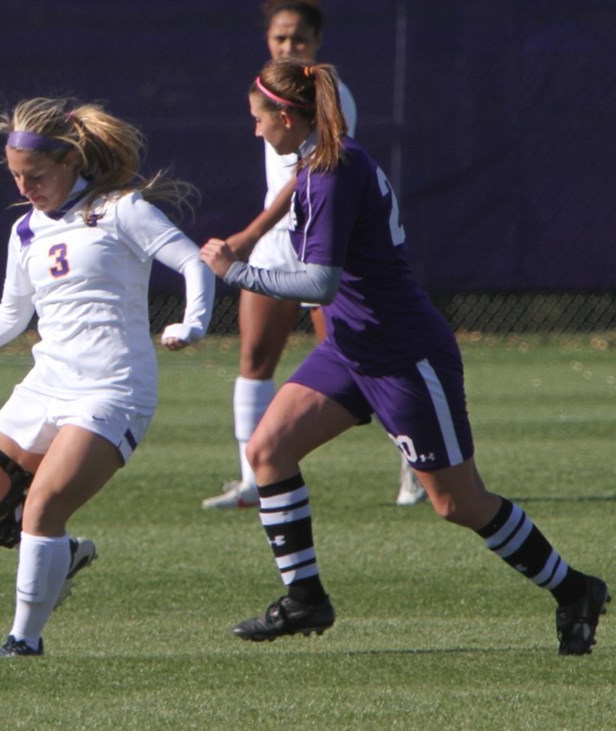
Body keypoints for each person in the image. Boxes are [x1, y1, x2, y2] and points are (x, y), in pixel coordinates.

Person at [200, 58, 609, 654]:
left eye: (260, 119)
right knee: (267, 451)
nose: (256, 131)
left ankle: (575, 590)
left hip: (402, 353)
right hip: (351, 346)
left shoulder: (332, 172)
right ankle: (305, 599)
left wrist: (235, 270)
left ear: (287, 117)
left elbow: (319, 286)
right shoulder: (323, 162)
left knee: (457, 502)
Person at [0, 97, 215, 657]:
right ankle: (63, 555)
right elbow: (10, 315)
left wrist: (191, 325)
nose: (25, 188)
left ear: (71, 160)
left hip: (112, 390)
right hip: (46, 386)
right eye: (17, 176)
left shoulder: (120, 209)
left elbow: (194, 263)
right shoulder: (25, 231)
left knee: (43, 506)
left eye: (36, 176)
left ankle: (24, 640)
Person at [201, 0, 426, 510]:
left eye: (297, 39)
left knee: (357, 360)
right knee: (255, 359)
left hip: (317, 241)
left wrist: (247, 234)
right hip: (277, 244)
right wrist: (260, 236)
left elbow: (314, 172)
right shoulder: (267, 90)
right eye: (280, 39)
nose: (287, 47)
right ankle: (253, 482)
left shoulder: (325, 94)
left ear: (316, 42)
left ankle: (418, 463)